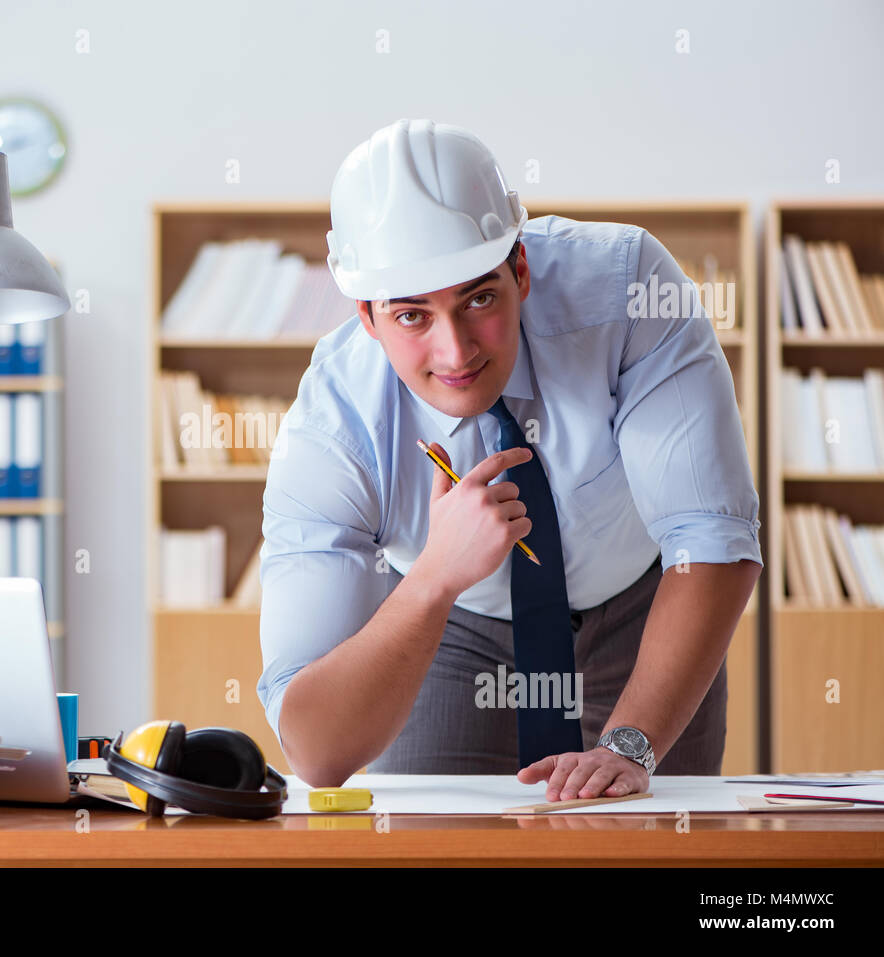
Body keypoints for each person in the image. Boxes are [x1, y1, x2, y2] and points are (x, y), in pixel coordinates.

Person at [256, 119, 762, 802]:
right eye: (411, 316)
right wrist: (435, 576)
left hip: (644, 612)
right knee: (432, 851)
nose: (456, 351)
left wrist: (630, 744)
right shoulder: (332, 425)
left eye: (480, 299)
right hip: (445, 630)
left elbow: (710, 537)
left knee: (648, 843)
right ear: (367, 317)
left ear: (519, 268)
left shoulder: (628, 290)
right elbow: (315, 749)